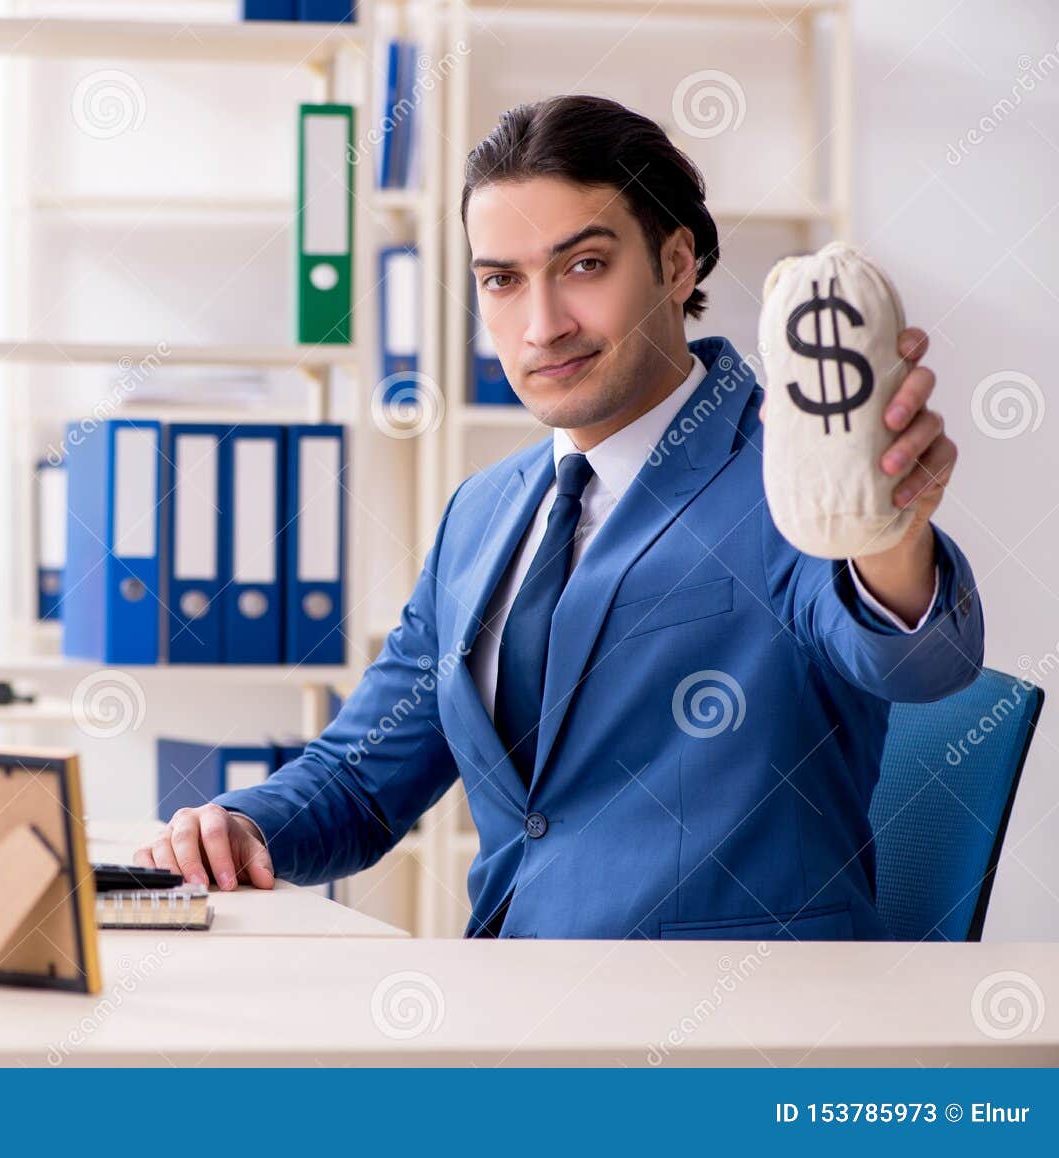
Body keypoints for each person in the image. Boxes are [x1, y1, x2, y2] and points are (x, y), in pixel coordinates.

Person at [133, 94, 983, 940]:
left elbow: (917, 664)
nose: (541, 326)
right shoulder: (484, 510)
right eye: (502, 281)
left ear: (677, 264)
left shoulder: (786, 472)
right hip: (519, 1011)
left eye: (584, 266)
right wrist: (239, 826)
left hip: (727, 1033)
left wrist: (888, 527)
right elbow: (362, 779)